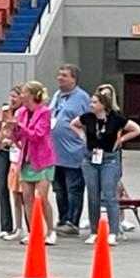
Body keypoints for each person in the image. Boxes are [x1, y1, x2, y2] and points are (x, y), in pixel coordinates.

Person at [74, 85, 140, 244]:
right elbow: (73, 124)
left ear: (103, 105)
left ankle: (113, 232)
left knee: (110, 194)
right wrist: (82, 135)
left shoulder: (116, 118)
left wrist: (120, 140)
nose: (91, 105)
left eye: (95, 102)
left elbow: (136, 129)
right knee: (93, 195)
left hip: (109, 159)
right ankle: (94, 231)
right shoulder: (87, 117)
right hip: (90, 159)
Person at [11, 81, 58, 243]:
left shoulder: (44, 112)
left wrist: (20, 128)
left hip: (43, 160)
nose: (21, 96)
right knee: (27, 197)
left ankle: (51, 230)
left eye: (24, 93)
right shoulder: (21, 113)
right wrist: (12, 128)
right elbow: (16, 137)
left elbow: (38, 135)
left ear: (32, 95)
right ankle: (33, 231)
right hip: (26, 159)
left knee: (43, 197)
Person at [49, 65, 91, 233]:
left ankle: (73, 221)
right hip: (55, 152)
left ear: (74, 79)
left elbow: (88, 121)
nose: (60, 78)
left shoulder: (82, 98)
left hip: (74, 152)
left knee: (73, 187)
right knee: (59, 188)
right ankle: (62, 218)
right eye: (59, 75)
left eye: (64, 76)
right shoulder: (57, 95)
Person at [0, 86, 24, 240]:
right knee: (3, 188)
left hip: (18, 154)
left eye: (15, 97)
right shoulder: (6, 111)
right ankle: (6, 225)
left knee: (21, 191)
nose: (12, 100)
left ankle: (27, 225)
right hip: (4, 153)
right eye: (10, 96)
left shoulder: (24, 113)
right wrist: (1, 122)